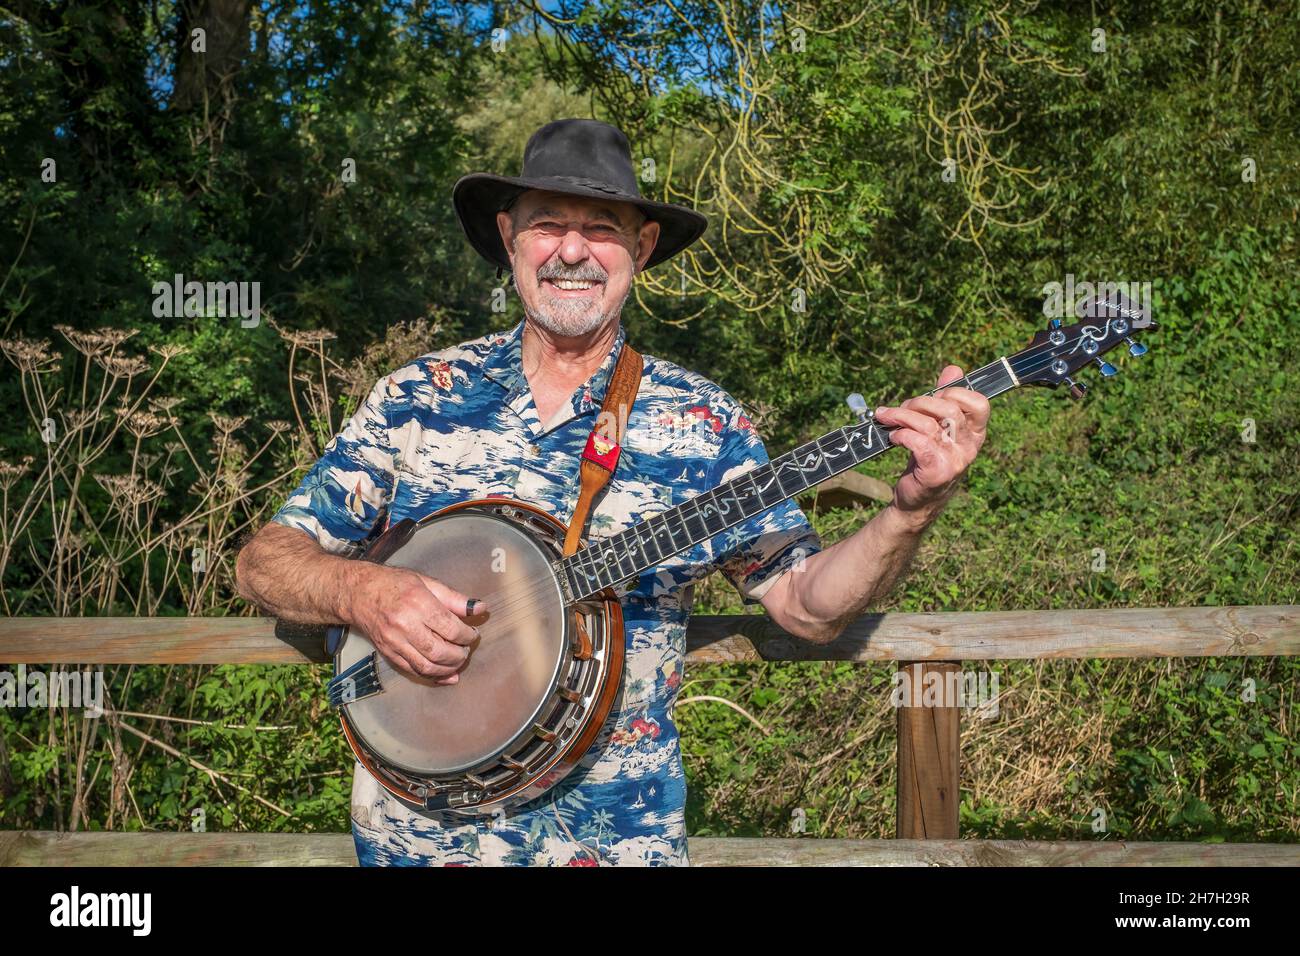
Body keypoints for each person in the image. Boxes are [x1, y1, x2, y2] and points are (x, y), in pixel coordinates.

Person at [235, 118, 990, 865]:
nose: (572, 250)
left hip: (617, 844)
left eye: (601, 228)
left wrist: (911, 508)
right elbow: (264, 562)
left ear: (642, 248)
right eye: (548, 226)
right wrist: (362, 591)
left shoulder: (705, 423)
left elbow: (808, 606)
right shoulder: (419, 396)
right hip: (418, 845)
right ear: (509, 238)